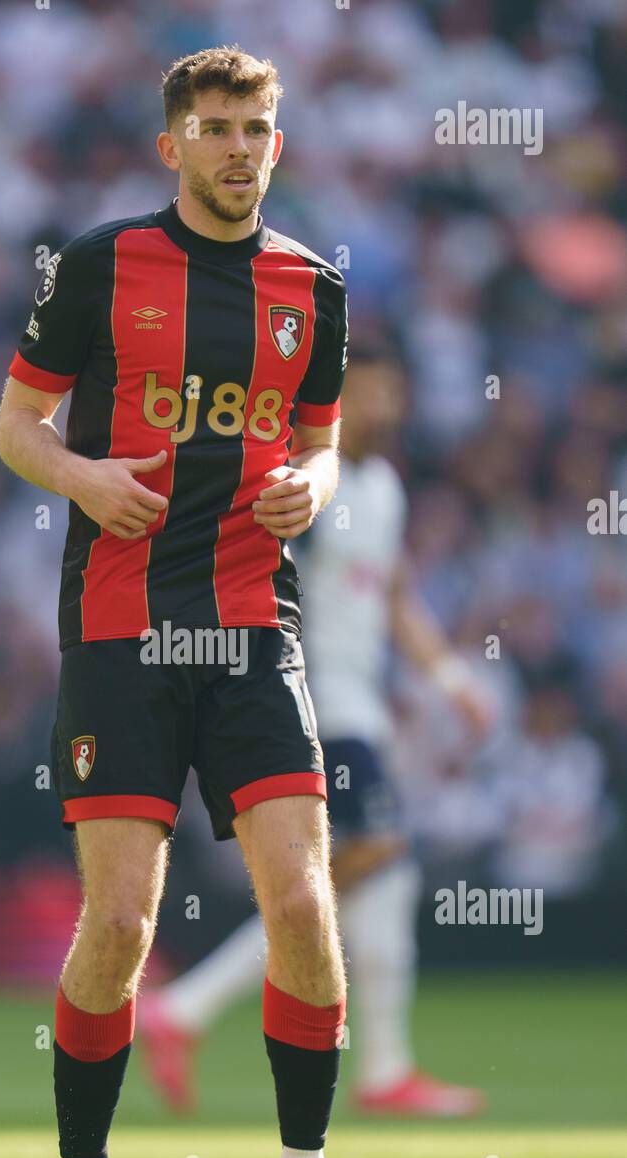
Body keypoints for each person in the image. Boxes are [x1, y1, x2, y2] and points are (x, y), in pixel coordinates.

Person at [0, 46, 351, 1158]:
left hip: (256, 625)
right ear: (172, 144)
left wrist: (313, 482)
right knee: (118, 926)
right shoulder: (98, 264)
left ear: (277, 142)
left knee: (303, 903)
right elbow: (16, 423)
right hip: (120, 630)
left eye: (255, 127)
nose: (237, 148)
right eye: (214, 128)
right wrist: (87, 475)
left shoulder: (313, 284)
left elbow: (322, 441)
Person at [139, 342, 495, 1118]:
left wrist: (451, 679)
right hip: (319, 704)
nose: (383, 407)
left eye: (391, 392)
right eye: (366, 393)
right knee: (372, 857)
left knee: (387, 882)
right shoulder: (306, 483)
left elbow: (393, 594)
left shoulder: (385, 487)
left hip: (363, 707)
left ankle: (385, 1070)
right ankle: (185, 1007)